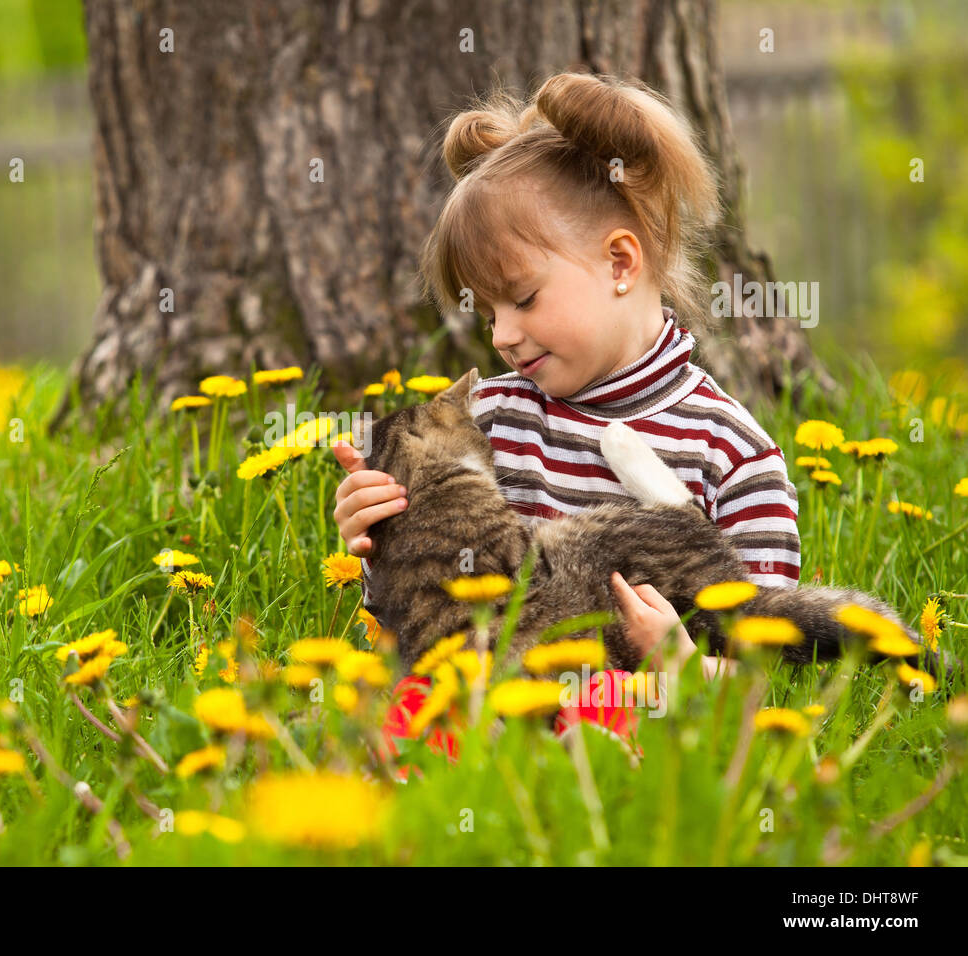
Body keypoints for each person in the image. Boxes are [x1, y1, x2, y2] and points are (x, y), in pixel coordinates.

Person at [333, 72, 796, 699]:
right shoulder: (490, 420)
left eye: (523, 299)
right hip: (496, 711)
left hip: (646, 735)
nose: (502, 335)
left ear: (620, 263)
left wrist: (684, 667)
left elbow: (771, 669)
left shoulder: (730, 450)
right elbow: (418, 626)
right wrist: (381, 541)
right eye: (489, 313)